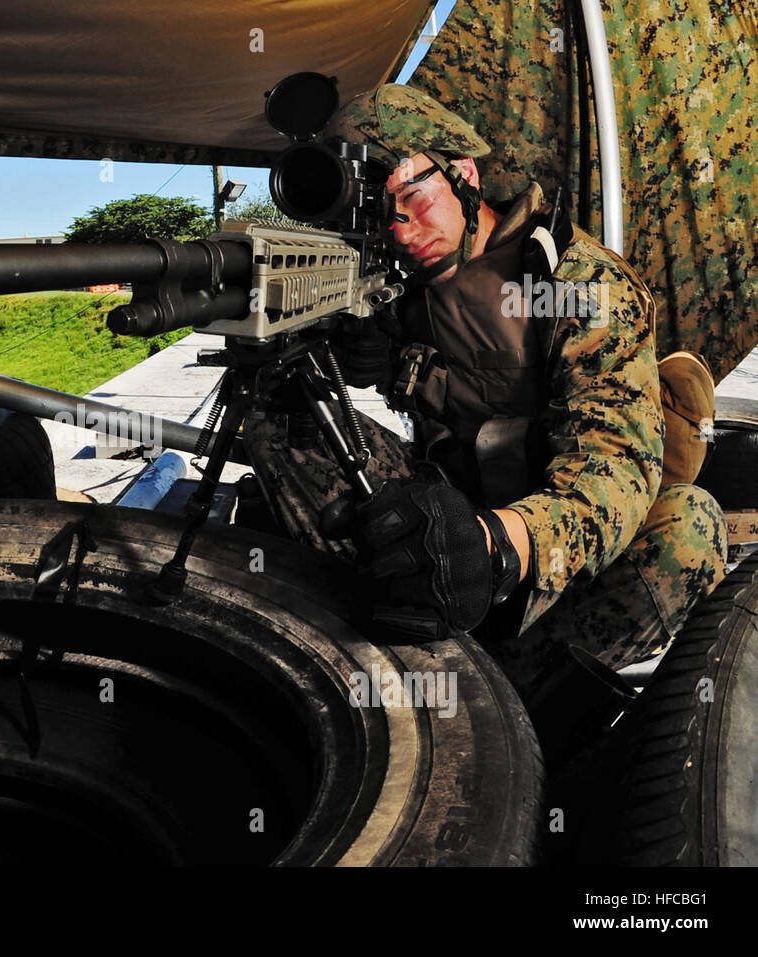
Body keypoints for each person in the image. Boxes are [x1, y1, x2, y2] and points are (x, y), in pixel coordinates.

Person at [245, 84, 728, 704]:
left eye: (412, 196)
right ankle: (391, 644)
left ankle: (512, 694)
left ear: (464, 173)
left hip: (543, 546)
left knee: (690, 528)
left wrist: (499, 546)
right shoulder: (395, 275)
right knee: (283, 423)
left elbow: (616, 467)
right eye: (374, 212)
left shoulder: (576, 284)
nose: (399, 229)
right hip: (442, 513)